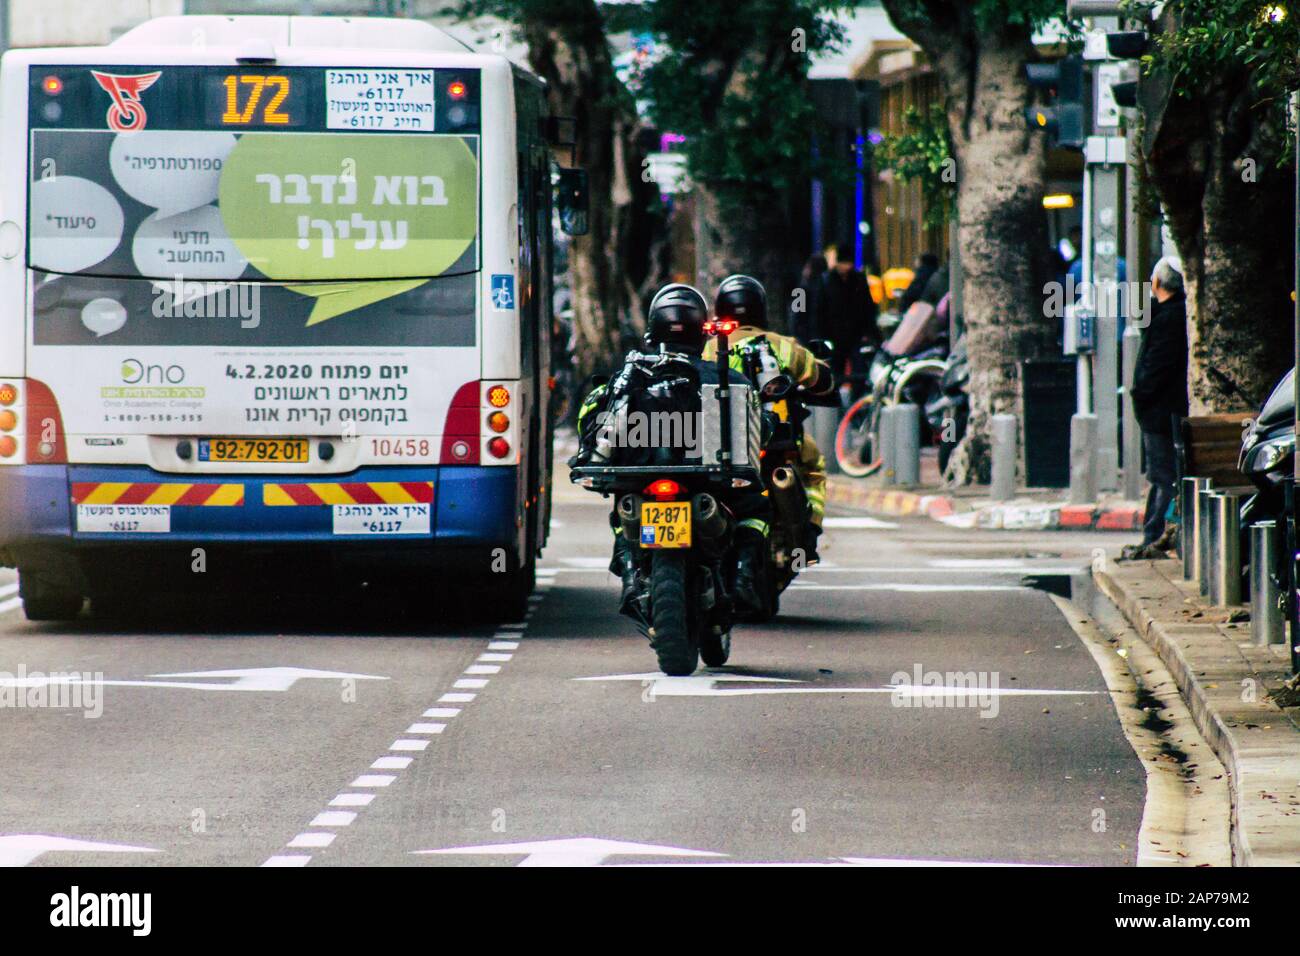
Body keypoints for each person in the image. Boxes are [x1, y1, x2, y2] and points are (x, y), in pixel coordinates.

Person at [575, 283, 773, 616]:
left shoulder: (630, 376)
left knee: (619, 514)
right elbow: (758, 427)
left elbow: (589, 418)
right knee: (757, 510)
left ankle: (629, 577)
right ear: (701, 331)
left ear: (653, 330)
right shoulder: (726, 378)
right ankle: (743, 578)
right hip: (706, 480)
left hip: (641, 479)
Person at [703, 274, 834, 562]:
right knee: (812, 465)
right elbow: (819, 378)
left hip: (722, 440)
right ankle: (808, 534)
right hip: (776, 439)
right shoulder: (781, 345)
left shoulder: (710, 347)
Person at [1129, 256, 1189, 553]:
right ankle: (1153, 533)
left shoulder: (1170, 318)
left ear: (1157, 283)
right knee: (1161, 476)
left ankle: (1155, 536)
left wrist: (1141, 394)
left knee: (1163, 476)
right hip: (1162, 409)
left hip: (1161, 411)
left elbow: (1157, 366)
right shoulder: (1167, 315)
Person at [820, 243, 878, 392]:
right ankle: (837, 400)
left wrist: (869, 331)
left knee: (858, 371)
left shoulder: (857, 279)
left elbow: (867, 306)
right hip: (834, 334)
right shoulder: (827, 280)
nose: (846, 267)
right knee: (836, 371)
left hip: (854, 333)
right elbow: (819, 309)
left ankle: (856, 400)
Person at [789, 253, 827, 345]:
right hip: (822, 339)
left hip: (805, 339)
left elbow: (795, 318)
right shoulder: (826, 289)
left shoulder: (801, 290)